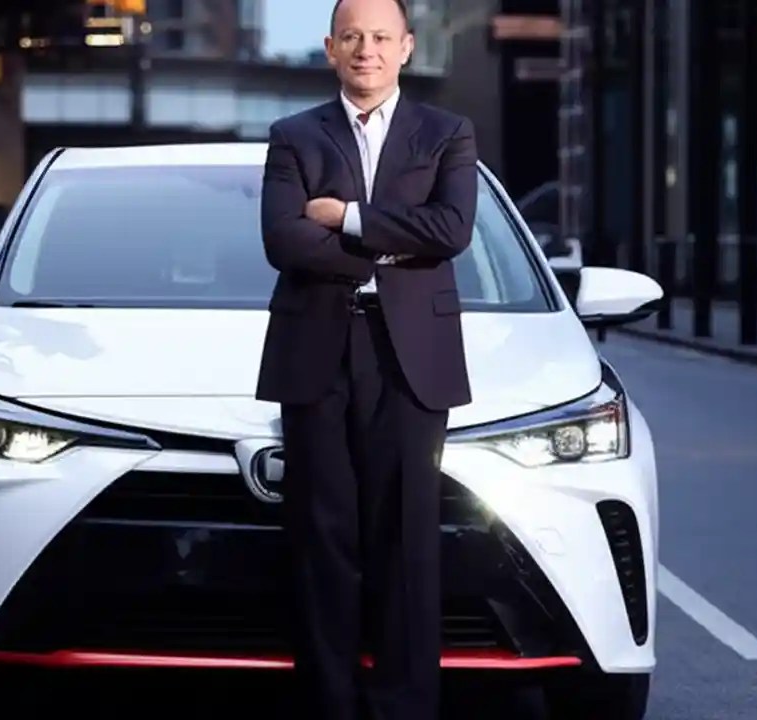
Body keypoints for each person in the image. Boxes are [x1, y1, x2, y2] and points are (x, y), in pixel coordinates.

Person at [254, 0, 479, 718]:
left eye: (381, 37)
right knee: (324, 539)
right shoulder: (294, 136)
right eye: (352, 36)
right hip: (318, 350)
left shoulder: (447, 133)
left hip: (412, 356)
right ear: (329, 48)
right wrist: (390, 249)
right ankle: (330, 705)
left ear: (407, 47)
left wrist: (347, 219)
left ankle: (405, 707)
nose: (366, 50)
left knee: (409, 541)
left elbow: (451, 228)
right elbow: (283, 241)